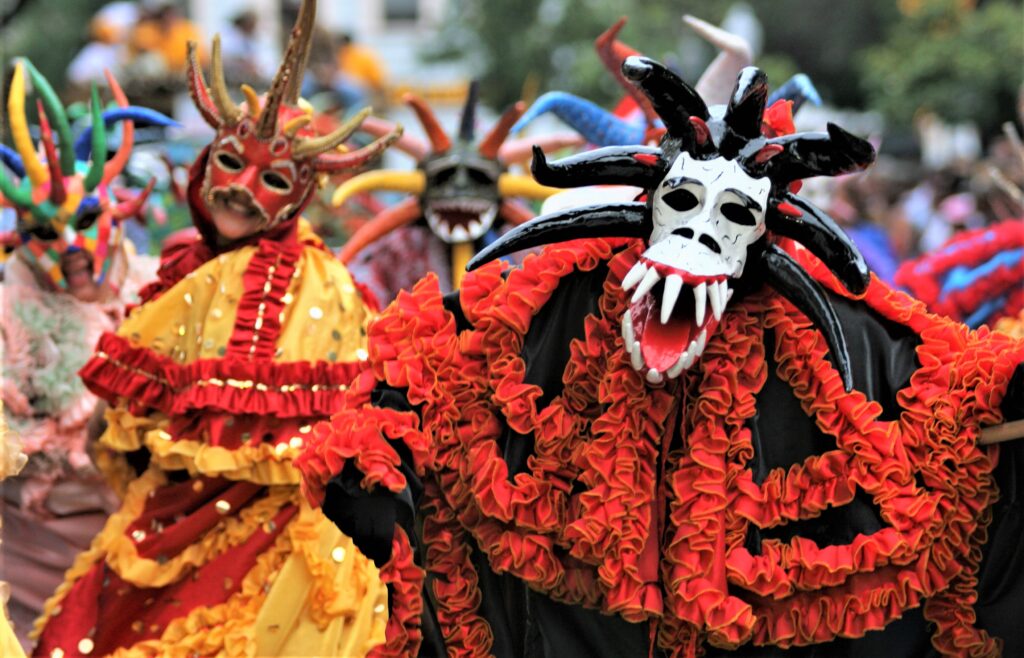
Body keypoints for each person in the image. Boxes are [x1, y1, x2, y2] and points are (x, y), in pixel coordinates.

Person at [299, 56, 1024, 657]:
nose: (701, 238)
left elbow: (938, 374)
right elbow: (448, 356)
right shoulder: (573, 292)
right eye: (683, 203)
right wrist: (377, 440)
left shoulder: (810, 320)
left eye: (736, 215)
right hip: (587, 614)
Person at [31, 1, 402, 655]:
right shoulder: (188, 261)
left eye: (276, 178)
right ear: (205, 165)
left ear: (301, 195)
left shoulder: (318, 282)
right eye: (232, 165)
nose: (244, 190)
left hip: (278, 531)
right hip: (169, 510)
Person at [0, 61, 165, 648]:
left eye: (86, 221)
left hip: (144, 546)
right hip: (32, 554)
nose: (71, 246)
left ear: (117, 216)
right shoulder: (6, 313)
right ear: (19, 237)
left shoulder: (155, 290)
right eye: (46, 232)